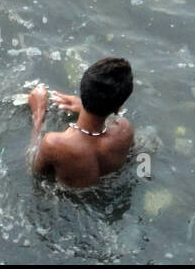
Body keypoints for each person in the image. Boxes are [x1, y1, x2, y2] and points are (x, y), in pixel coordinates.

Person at [28, 57, 135, 189]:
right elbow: (131, 154)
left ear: (83, 88)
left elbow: (35, 173)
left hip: (66, 201)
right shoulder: (125, 130)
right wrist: (87, 107)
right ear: (119, 107)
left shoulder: (54, 144)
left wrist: (38, 114)